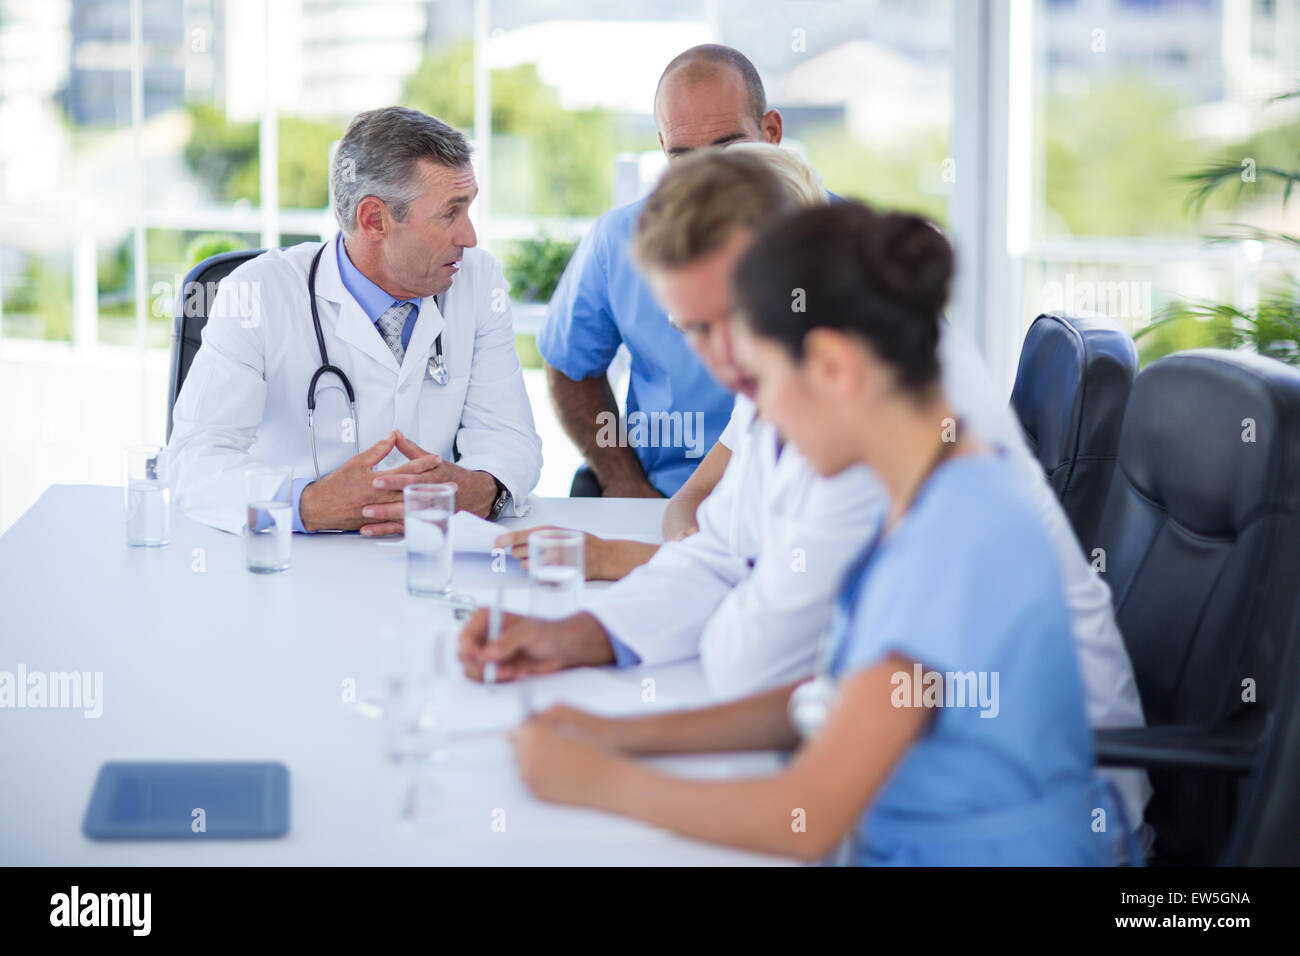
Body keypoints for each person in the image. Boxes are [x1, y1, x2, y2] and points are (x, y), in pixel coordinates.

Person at [459, 147, 1150, 832]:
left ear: (828, 362)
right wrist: (618, 729)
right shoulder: (905, 462)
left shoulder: (950, 517)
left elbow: (804, 805)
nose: (753, 414)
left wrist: (604, 779)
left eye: (755, 367)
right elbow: (821, 690)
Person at [169, 107, 541, 535]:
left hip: (430, 558)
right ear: (375, 220)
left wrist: (481, 489)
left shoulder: (479, 279)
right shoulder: (257, 293)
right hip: (294, 561)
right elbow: (194, 460)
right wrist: (306, 503)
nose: (469, 237)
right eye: (450, 214)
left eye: (469, 209)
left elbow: (511, 435)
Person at [537, 44, 781, 530]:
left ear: (770, 133)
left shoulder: (845, 242)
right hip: (660, 502)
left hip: (794, 509)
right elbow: (570, 366)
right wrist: (623, 480)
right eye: (683, 157)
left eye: (729, 148)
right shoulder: (618, 240)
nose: (708, 179)